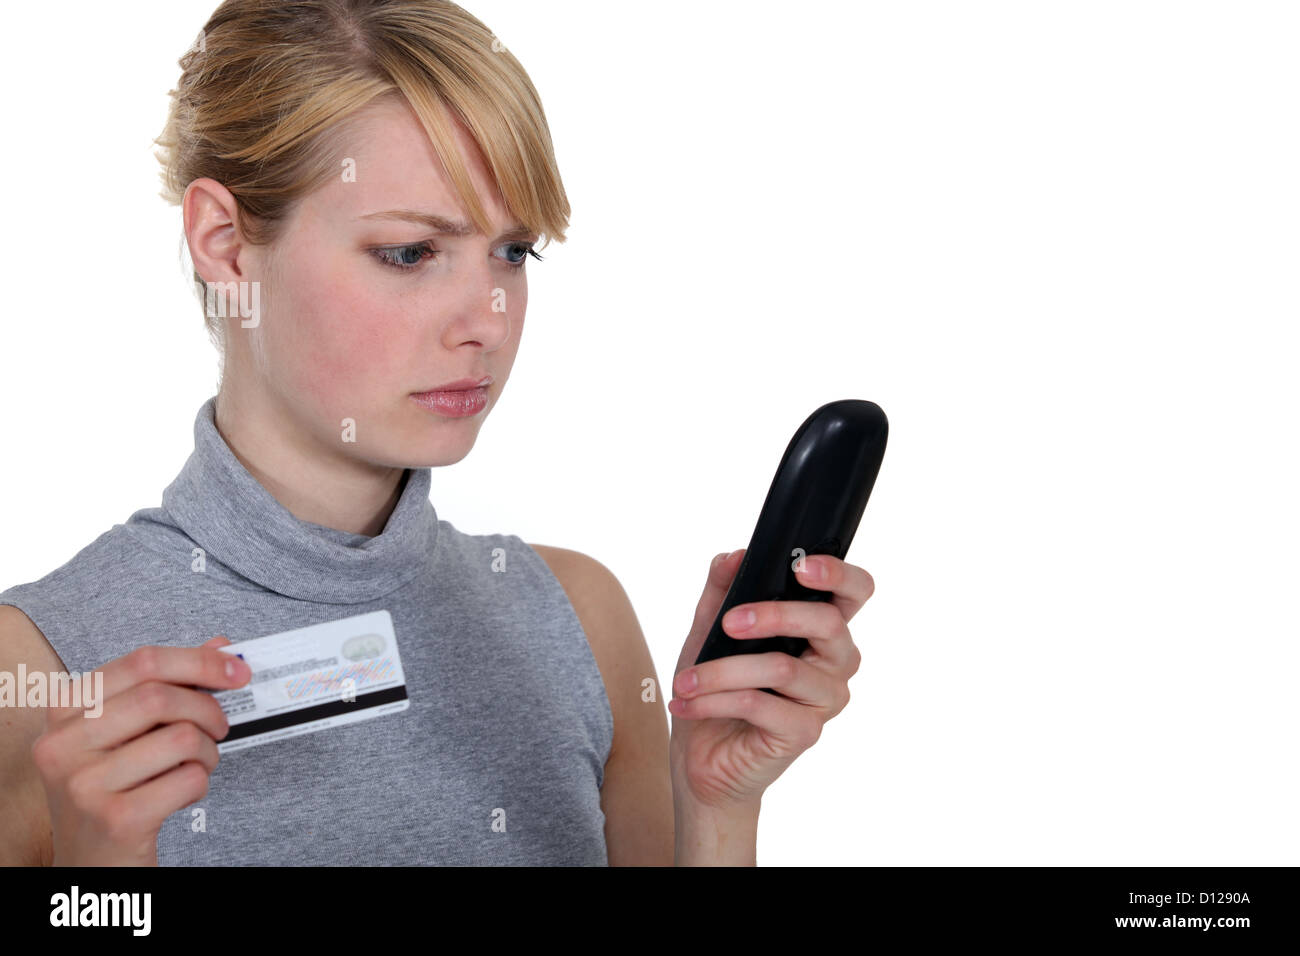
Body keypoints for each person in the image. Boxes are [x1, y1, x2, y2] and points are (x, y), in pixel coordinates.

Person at [0, 0, 872, 867]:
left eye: (512, 252)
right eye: (412, 253)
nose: (487, 321)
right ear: (225, 244)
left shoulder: (577, 618)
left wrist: (717, 811)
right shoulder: (34, 668)